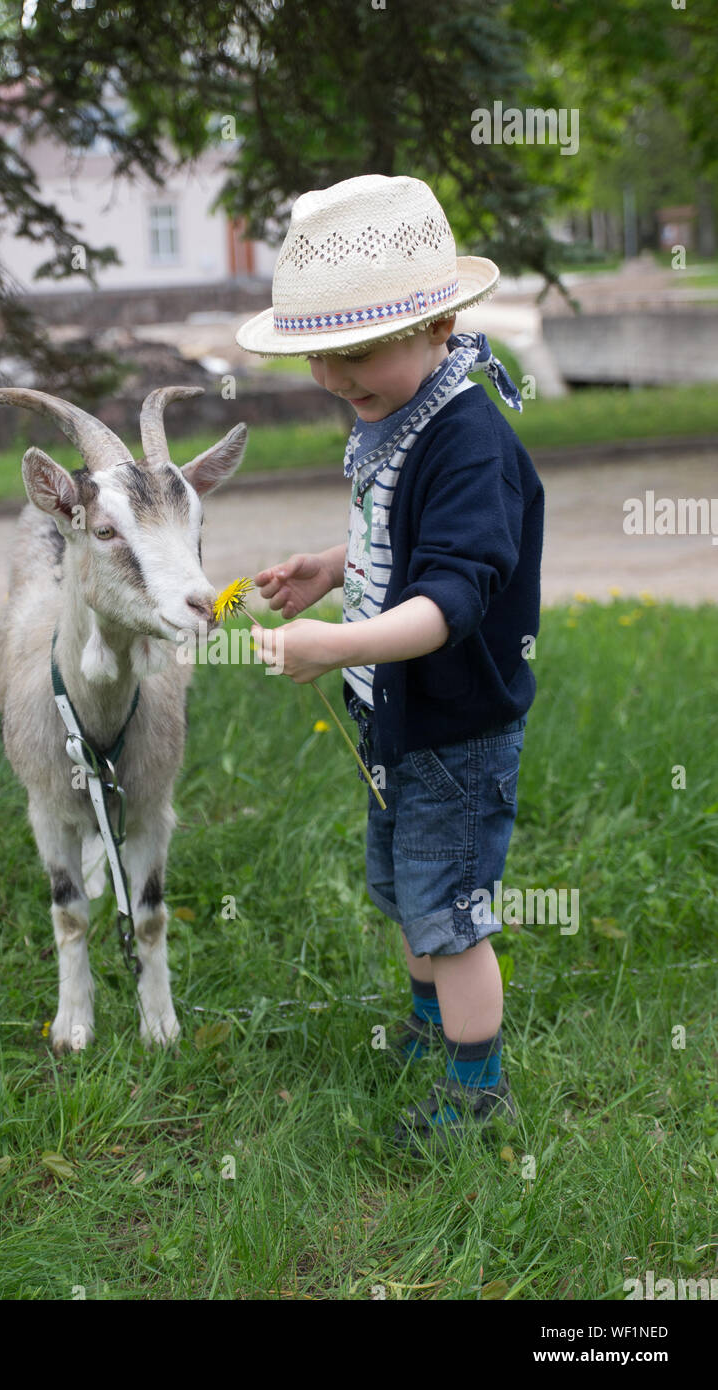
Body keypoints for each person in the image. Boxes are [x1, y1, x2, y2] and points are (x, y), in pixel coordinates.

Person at [235, 174, 544, 1156]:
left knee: (450, 911)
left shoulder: (469, 441)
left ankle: (476, 1087)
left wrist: (335, 646)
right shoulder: (398, 410)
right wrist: (333, 570)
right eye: (320, 359)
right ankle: (427, 1026)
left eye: (355, 355)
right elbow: (399, 543)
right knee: (404, 887)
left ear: (439, 323)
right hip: (397, 716)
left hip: (455, 724)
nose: (334, 379)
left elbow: (450, 601)